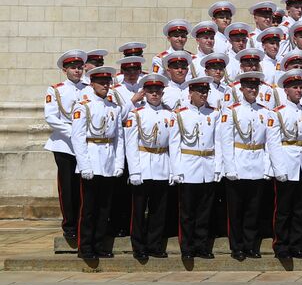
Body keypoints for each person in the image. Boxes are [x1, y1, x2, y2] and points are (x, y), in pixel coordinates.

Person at [71, 66, 126, 262]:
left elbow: (118, 138)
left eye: (107, 83)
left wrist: (119, 162)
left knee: (104, 208)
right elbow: (77, 138)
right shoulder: (83, 106)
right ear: (92, 84)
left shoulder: (114, 107)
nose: (105, 86)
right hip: (92, 160)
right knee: (89, 209)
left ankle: (99, 245)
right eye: (101, 83)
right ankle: (85, 247)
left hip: (109, 161)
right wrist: (84, 165)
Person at [217, 72, 272, 260]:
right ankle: (237, 247)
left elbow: (268, 143)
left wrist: (267, 167)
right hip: (238, 165)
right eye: (249, 87)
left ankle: (251, 245)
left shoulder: (265, 112)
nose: (252, 90)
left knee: (253, 210)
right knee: (236, 210)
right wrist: (229, 168)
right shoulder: (231, 111)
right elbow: (225, 141)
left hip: (257, 164)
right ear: (241, 89)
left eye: (255, 87)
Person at [124, 71, 177, 263]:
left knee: (159, 210)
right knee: (138, 210)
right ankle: (138, 246)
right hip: (143, 164)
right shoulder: (136, 114)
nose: (154, 94)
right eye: (150, 90)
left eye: (158, 91)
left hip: (162, 163)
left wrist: (173, 169)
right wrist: (134, 170)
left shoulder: (170, 114)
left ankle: (155, 245)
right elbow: (130, 144)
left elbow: (173, 144)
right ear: (144, 92)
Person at [171, 76, 221, 260]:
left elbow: (218, 142)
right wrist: (177, 170)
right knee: (187, 212)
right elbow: (175, 143)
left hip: (207, 166)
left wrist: (218, 167)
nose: (203, 95)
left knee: (204, 211)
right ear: (190, 93)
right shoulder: (180, 114)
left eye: (205, 92)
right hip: (188, 166)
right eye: (199, 92)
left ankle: (202, 245)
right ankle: (187, 246)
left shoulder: (213, 114)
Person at [268, 71, 302, 261]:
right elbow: (273, 143)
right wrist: (278, 169)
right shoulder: (278, 113)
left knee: (300, 209)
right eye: (294, 87)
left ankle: (297, 244)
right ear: (286, 90)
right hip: (286, 164)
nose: (298, 90)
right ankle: (281, 245)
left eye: (300, 87)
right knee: (283, 209)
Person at [45, 49, 89, 241]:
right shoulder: (56, 89)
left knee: (85, 186)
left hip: (87, 144)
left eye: (80, 67)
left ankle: (83, 222)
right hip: (65, 144)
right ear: (65, 70)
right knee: (68, 187)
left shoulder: (89, 88)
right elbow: (51, 117)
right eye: (73, 68)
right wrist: (73, 133)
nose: (77, 71)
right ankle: (69, 225)